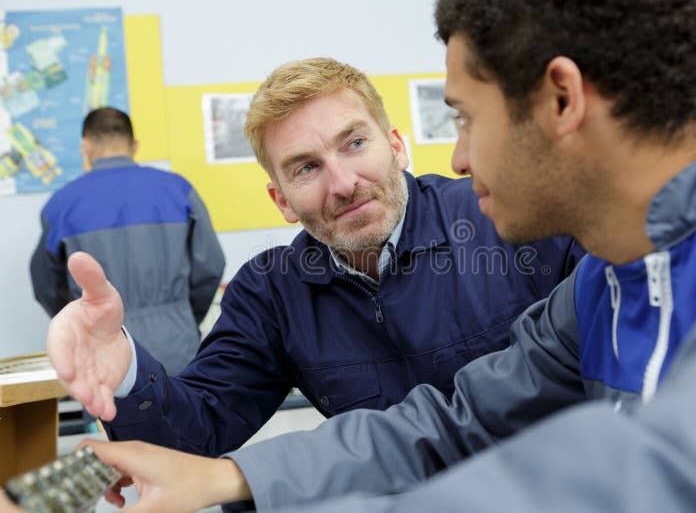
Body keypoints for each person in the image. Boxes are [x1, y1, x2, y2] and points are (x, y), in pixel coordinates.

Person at [35, 0, 696, 510]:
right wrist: (229, 473)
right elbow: (446, 423)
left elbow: (685, 472)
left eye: (462, 117)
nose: (459, 157)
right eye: (306, 167)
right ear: (280, 197)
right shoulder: (603, 281)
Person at [45, 59, 584, 458]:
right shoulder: (272, 293)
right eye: (306, 168)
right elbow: (195, 433)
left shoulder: (513, 218)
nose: (343, 184)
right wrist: (126, 374)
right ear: (280, 200)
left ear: (396, 146)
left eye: (353, 144)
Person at [30, 107, 225, 375]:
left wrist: (84, 321)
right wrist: (182, 315)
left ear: (86, 145)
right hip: (177, 343)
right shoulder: (177, 189)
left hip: (102, 350)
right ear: (134, 145)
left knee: (110, 417)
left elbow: (46, 286)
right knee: (184, 414)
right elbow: (211, 264)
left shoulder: (61, 204)